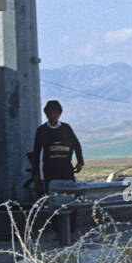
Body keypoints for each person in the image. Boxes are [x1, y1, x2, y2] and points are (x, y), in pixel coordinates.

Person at [32, 100, 84, 243]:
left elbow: (76, 144)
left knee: (70, 199)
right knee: (53, 201)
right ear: (46, 114)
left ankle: (71, 231)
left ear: (60, 114)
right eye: (50, 113)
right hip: (50, 170)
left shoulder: (66, 128)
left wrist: (80, 161)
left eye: (55, 113)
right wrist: (36, 174)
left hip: (66, 170)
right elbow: (36, 153)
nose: (53, 116)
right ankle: (56, 231)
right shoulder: (41, 131)